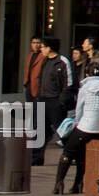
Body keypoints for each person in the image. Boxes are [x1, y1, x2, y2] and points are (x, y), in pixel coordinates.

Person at [55, 61, 99, 194]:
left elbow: (79, 110)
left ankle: (59, 183)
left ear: (87, 73)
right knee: (82, 156)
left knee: (68, 152)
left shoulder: (85, 88)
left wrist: (76, 122)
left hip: (86, 127)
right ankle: (78, 183)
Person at [31, 38, 72, 166]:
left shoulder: (62, 61)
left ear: (50, 48)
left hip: (55, 101)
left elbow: (69, 83)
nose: (41, 49)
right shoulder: (44, 61)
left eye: (43, 47)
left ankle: (71, 154)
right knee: (39, 130)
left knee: (62, 129)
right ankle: (36, 158)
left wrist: (61, 101)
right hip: (42, 100)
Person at [23, 36, 46, 103]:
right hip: (29, 85)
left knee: (39, 109)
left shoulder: (43, 55)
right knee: (30, 108)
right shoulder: (30, 54)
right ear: (31, 44)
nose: (36, 45)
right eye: (34, 43)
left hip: (38, 86)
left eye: (38, 43)